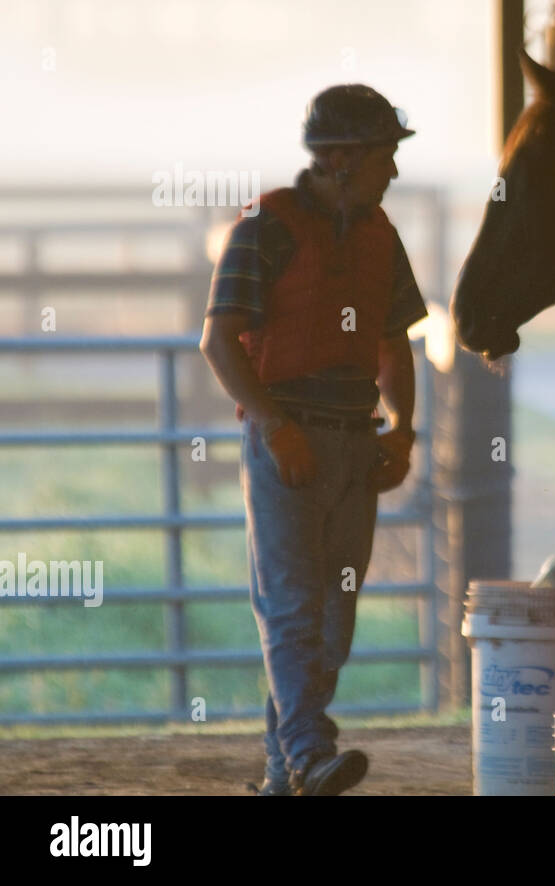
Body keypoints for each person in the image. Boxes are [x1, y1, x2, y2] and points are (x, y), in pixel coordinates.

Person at [200, 85, 428, 796]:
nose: (393, 170)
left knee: (331, 618)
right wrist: (276, 427)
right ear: (342, 158)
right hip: (287, 445)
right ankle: (308, 753)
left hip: (356, 444)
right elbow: (218, 342)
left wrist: (402, 429)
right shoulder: (265, 227)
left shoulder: (380, 235)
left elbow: (392, 344)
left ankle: (283, 776)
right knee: (295, 606)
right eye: (385, 155)